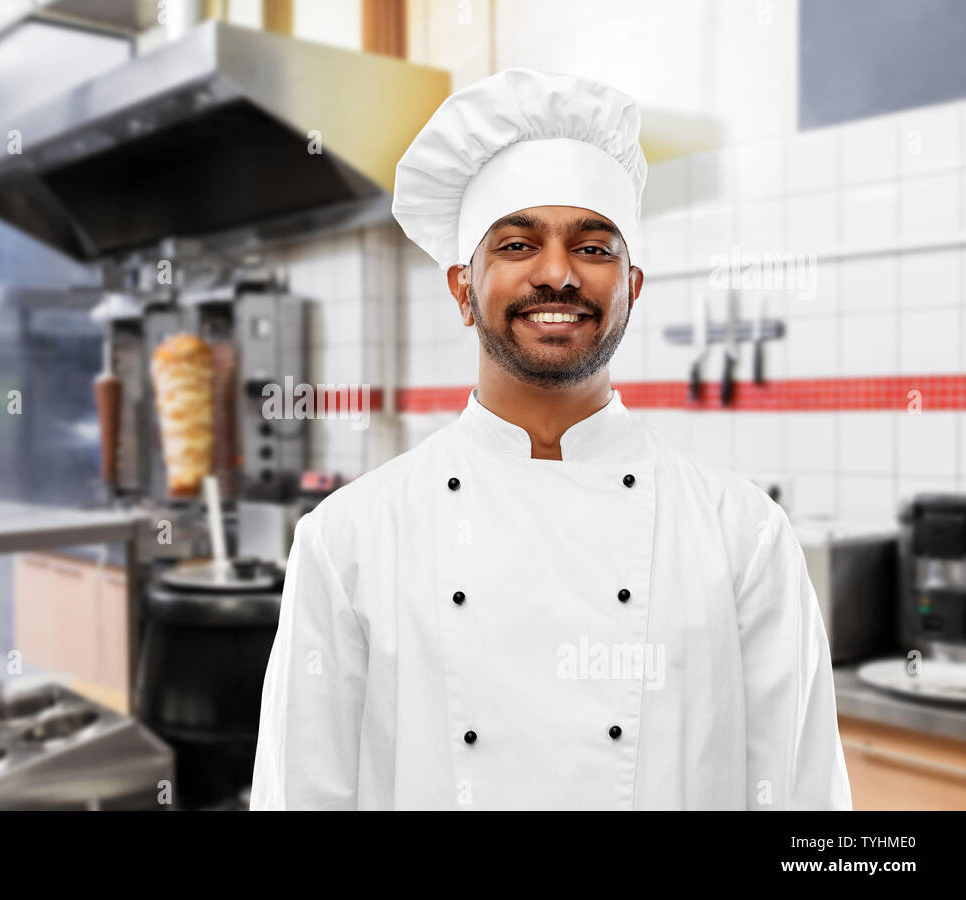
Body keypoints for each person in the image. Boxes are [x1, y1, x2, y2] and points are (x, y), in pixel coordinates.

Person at [249, 68, 852, 810]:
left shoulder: (744, 537)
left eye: (593, 247)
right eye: (516, 245)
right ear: (462, 290)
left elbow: (805, 806)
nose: (558, 274)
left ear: (632, 287)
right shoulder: (347, 543)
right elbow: (302, 795)